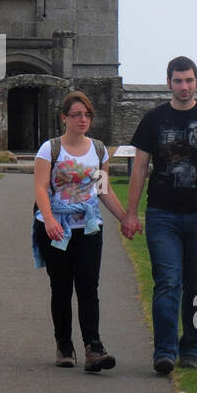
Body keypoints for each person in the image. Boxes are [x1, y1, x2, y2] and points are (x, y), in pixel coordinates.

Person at [123, 56, 197, 374]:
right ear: (168, 82)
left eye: (189, 80)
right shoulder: (153, 120)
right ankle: (165, 352)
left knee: (196, 285)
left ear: (196, 82)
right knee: (168, 282)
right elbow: (140, 168)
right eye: (178, 81)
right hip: (162, 214)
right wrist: (131, 213)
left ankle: (191, 349)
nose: (184, 87)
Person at [33, 91, 133, 371]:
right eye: (76, 114)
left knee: (89, 287)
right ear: (64, 117)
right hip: (55, 228)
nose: (82, 119)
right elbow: (40, 187)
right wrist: (50, 220)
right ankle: (64, 346)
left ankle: (94, 348)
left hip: (89, 228)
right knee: (61, 288)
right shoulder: (50, 149)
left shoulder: (98, 150)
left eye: (87, 114)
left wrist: (125, 217)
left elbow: (103, 190)